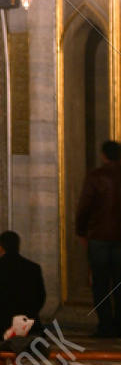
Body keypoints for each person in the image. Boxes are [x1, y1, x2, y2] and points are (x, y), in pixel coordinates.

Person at [76, 139, 121, 337]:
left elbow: (85, 206)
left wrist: (81, 231)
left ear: (103, 155)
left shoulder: (96, 176)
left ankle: (105, 326)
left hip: (99, 237)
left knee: (101, 283)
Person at [0, 230, 46, 342]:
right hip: (26, 328)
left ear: (1, 247)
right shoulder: (33, 268)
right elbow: (41, 297)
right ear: (18, 246)